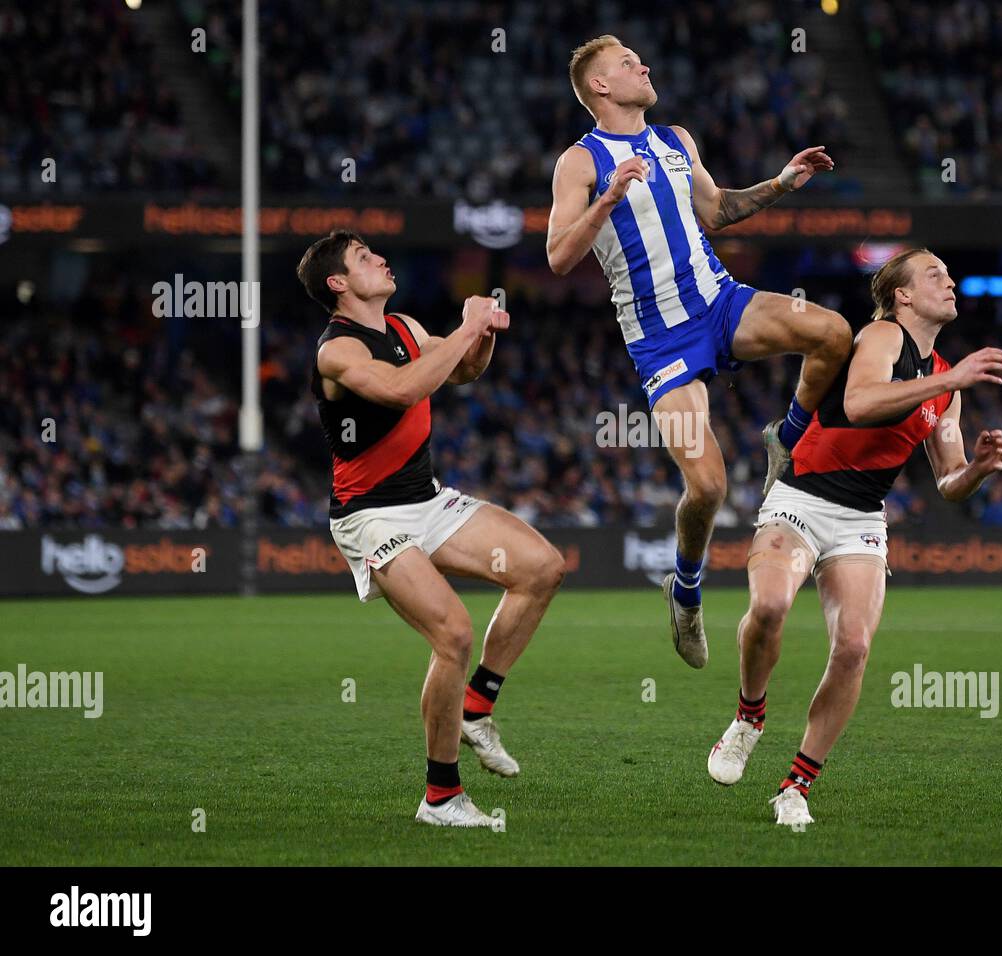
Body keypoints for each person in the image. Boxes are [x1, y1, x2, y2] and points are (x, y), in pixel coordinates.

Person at [547, 35, 853, 669]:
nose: (645, 64)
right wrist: (607, 197)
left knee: (831, 332)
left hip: (722, 304)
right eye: (629, 63)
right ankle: (685, 591)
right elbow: (557, 256)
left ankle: (786, 439)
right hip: (661, 342)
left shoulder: (677, 140)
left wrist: (781, 183)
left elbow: (716, 212)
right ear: (600, 86)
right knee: (709, 486)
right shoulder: (580, 162)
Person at [705, 248, 1002, 827]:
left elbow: (948, 481)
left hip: (862, 518)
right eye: (934, 274)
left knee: (854, 647)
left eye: (950, 272)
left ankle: (795, 786)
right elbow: (860, 401)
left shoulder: (948, 382)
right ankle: (749, 717)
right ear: (902, 295)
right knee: (769, 606)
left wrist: (978, 469)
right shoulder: (883, 337)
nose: (949, 281)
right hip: (802, 495)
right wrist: (950, 378)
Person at [300, 230, 565, 828]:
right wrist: (468, 328)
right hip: (370, 516)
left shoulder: (407, 328)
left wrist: (483, 334)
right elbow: (402, 389)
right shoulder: (335, 352)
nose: (381, 259)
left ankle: (477, 708)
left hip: (427, 500)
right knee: (452, 633)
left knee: (542, 568)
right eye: (365, 258)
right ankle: (440, 798)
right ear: (338, 284)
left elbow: (460, 372)